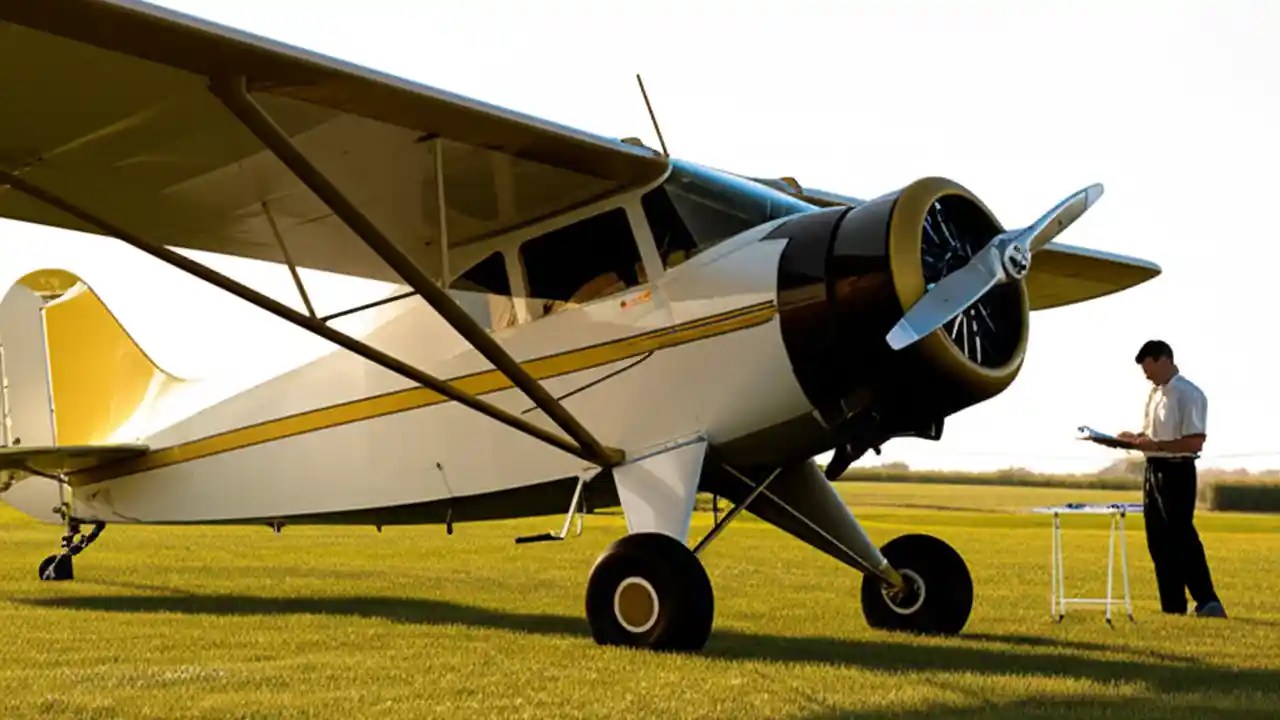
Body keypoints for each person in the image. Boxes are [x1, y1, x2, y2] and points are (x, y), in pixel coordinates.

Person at [1118, 340, 1226, 619]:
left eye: (1149, 368)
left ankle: (1207, 600)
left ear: (1163, 360)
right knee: (1158, 539)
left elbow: (1194, 442)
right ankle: (1173, 606)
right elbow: (1153, 434)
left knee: (1181, 535)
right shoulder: (1154, 393)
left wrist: (1156, 445)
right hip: (1152, 469)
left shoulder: (1188, 394)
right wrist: (1134, 439)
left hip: (1177, 471)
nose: (1146, 375)